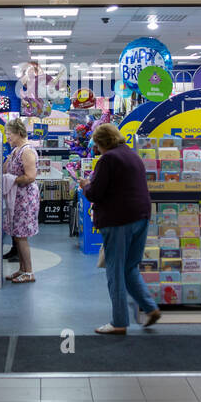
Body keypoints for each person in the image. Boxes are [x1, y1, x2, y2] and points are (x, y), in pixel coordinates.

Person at [70, 123, 160, 334]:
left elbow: (96, 194)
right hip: (141, 216)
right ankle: (150, 307)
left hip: (119, 220)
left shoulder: (108, 159)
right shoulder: (132, 155)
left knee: (115, 271)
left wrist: (85, 185)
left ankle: (119, 322)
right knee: (130, 268)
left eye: (97, 144)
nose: (96, 149)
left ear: (102, 142)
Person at [2, 117, 39, 283]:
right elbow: (4, 169)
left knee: (22, 235)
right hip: (16, 198)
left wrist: (12, 180)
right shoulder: (15, 150)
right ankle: (22, 269)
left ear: (18, 133)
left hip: (25, 199)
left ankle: (29, 272)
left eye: (9, 134)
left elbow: (30, 177)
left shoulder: (27, 151)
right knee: (17, 234)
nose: (7, 137)